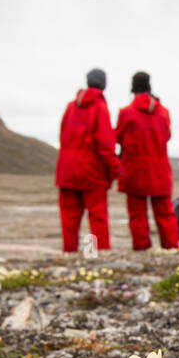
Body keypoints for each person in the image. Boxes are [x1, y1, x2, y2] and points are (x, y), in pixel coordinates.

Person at [55, 69, 119, 253]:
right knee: (96, 216)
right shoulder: (99, 108)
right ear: (103, 85)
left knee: (69, 217)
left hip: (67, 171)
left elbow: (63, 136)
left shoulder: (71, 107)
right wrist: (115, 170)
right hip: (91, 173)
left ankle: (69, 253)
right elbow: (106, 145)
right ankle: (93, 256)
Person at [116, 71, 179, 250]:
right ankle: (171, 248)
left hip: (135, 170)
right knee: (165, 214)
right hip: (159, 170)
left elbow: (118, 136)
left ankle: (142, 249)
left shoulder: (126, 113)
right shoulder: (163, 113)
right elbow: (166, 136)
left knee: (137, 214)